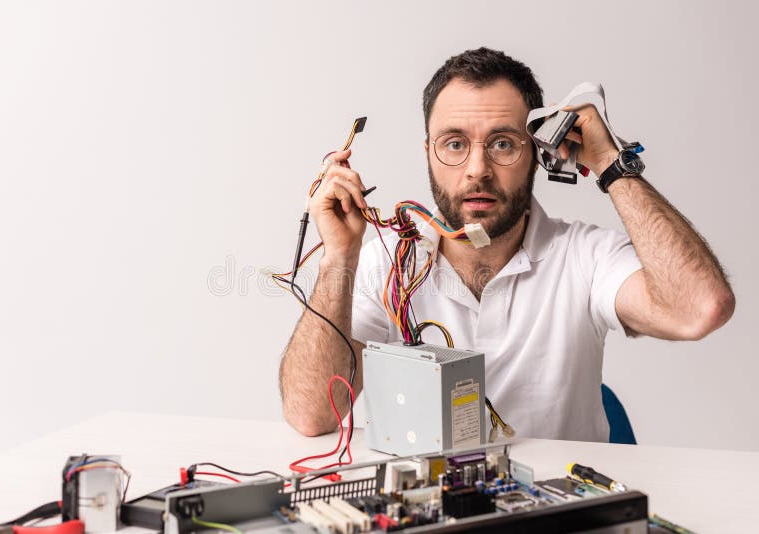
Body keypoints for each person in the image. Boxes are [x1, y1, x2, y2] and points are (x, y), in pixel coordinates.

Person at [278, 47, 735, 442]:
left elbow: (699, 309)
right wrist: (339, 256)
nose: (477, 169)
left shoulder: (583, 258)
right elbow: (311, 413)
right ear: (428, 153)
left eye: (502, 144)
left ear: (538, 149)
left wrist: (609, 163)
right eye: (454, 144)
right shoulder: (386, 262)